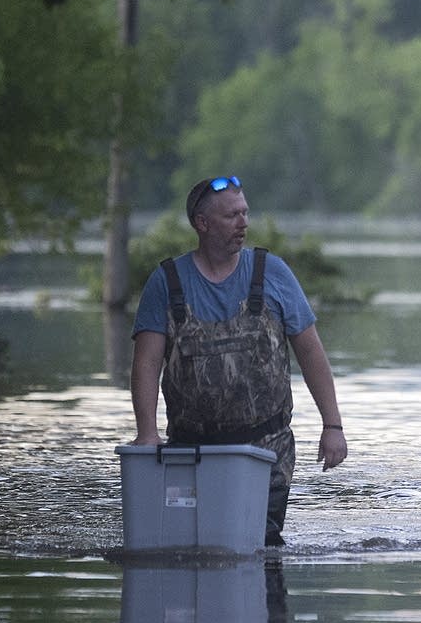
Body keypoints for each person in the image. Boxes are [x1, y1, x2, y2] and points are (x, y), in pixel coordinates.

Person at [130, 175, 348, 546]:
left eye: (245, 213)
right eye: (232, 215)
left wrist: (333, 426)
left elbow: (310, 352)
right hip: (189, 451)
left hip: (266, 450)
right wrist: (148, 434)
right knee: (186, 548)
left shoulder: (272, 273)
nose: (244, 222)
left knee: (260, 546)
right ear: (203, 223)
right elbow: (146, 364)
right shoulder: (166, 282)